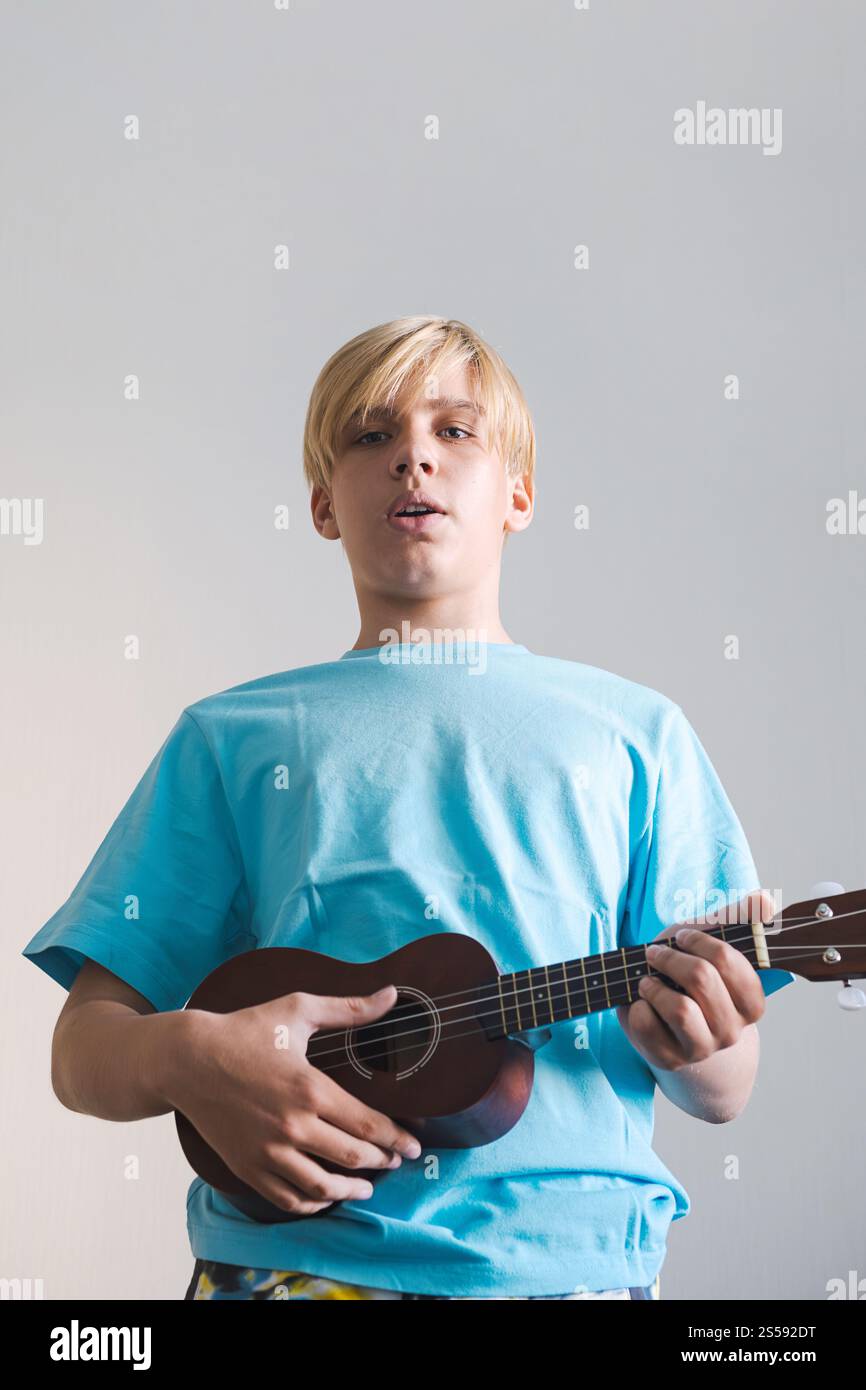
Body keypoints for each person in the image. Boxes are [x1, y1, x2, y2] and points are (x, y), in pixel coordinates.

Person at [22, 315, 795, 1301]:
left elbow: (723, 1088)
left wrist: (704, 1042)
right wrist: (186, 1054)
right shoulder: (232, 737)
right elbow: (83, 1049)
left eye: (455, 432)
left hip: (571, 1271)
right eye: (370, 435)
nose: (412, 457)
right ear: (320, 503)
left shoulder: (636, 735)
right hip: (292, 1268)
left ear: (516, 492)